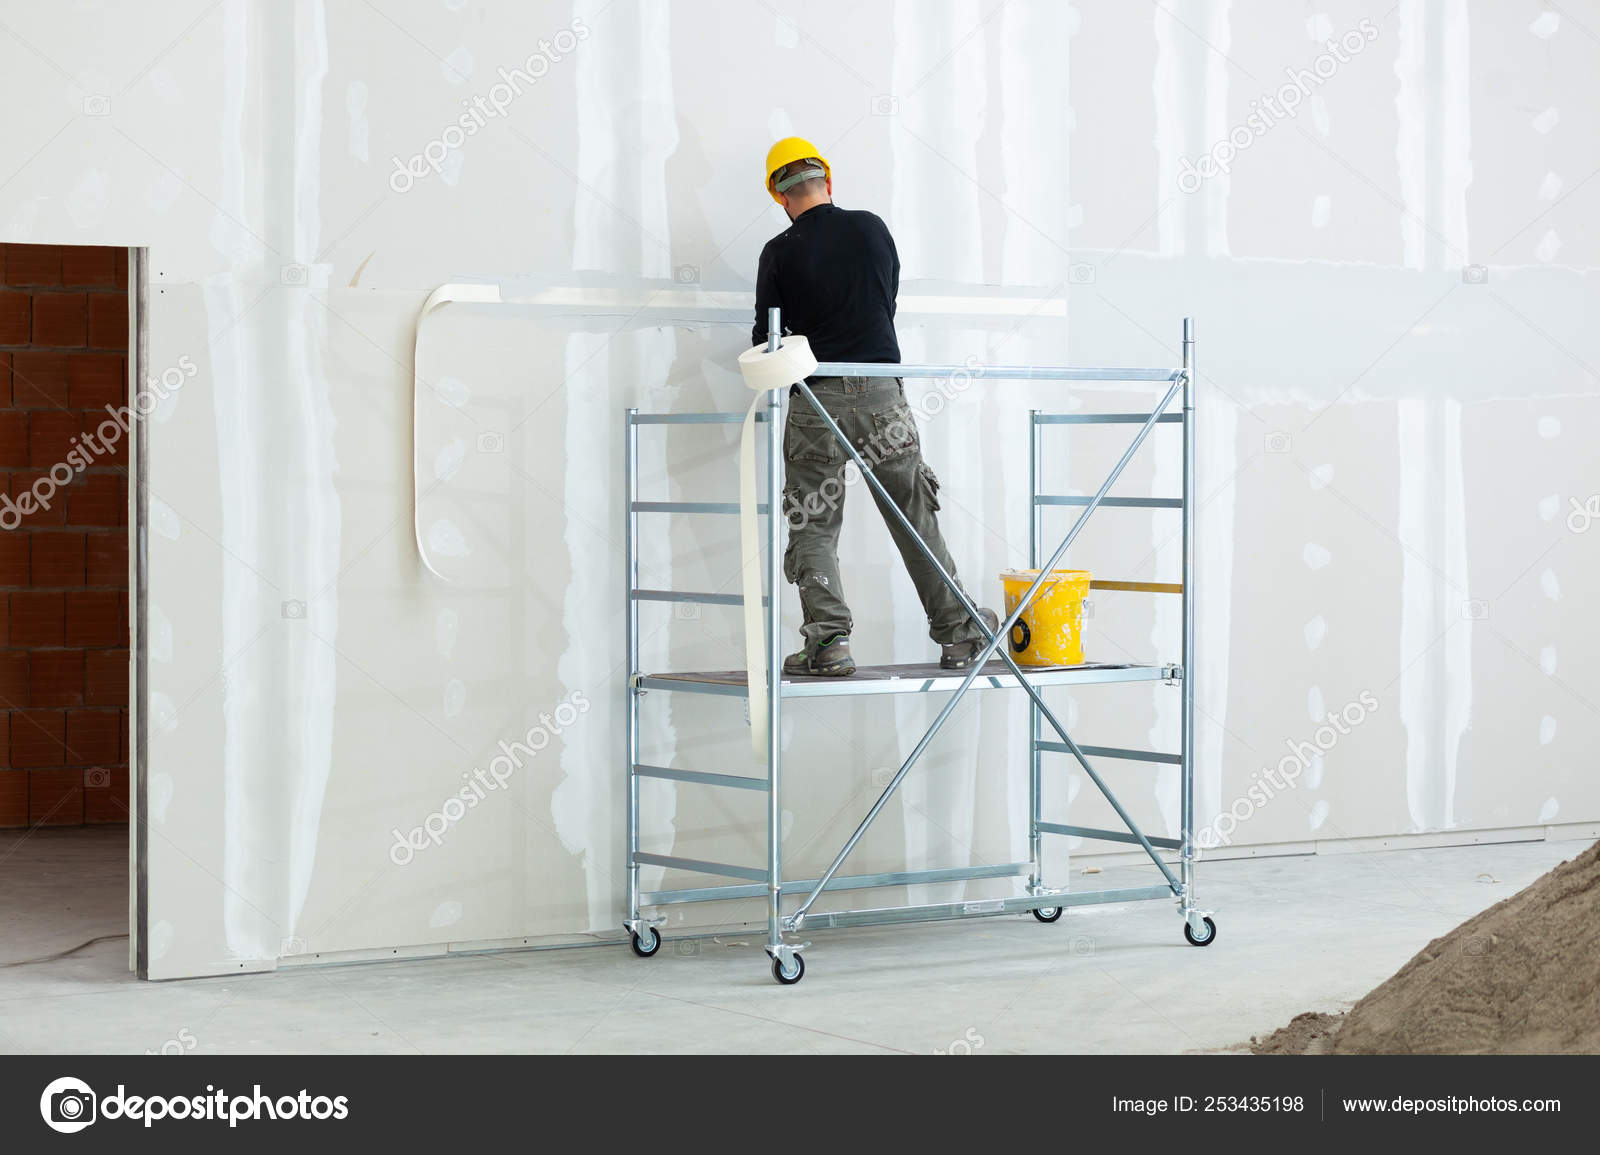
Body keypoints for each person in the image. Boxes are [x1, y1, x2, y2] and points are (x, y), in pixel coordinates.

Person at [753, 136, 996, 678]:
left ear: (779, 195)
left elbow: (766, 339)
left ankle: (828, 643)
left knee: (813, 522)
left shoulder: (779, 251)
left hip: (817, 399)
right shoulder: (871, 228)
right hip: (884, 395)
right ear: (828, 182)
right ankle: (958, 635)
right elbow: (885, 303)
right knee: (912, 516)